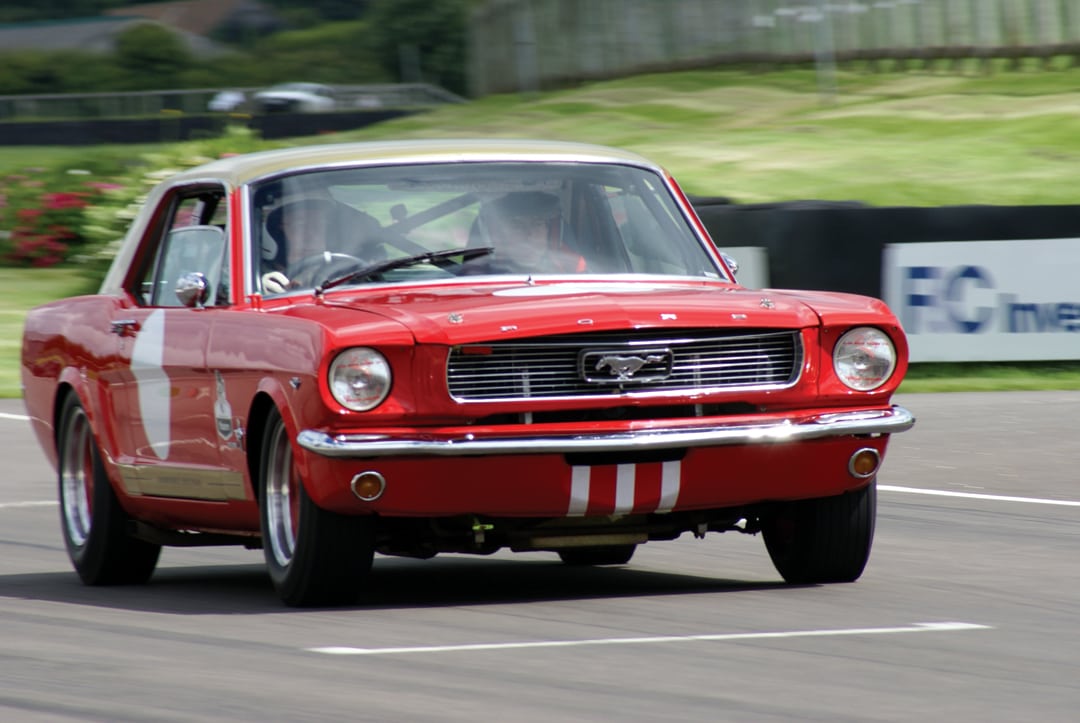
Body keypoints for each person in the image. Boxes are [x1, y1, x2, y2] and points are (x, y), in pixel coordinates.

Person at [476, 191, 586, 274]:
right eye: (517, 225)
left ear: (549, 232)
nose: (529, 235)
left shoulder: (572, 266)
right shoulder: (476, 274)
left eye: (537, 224)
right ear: (501, 235)